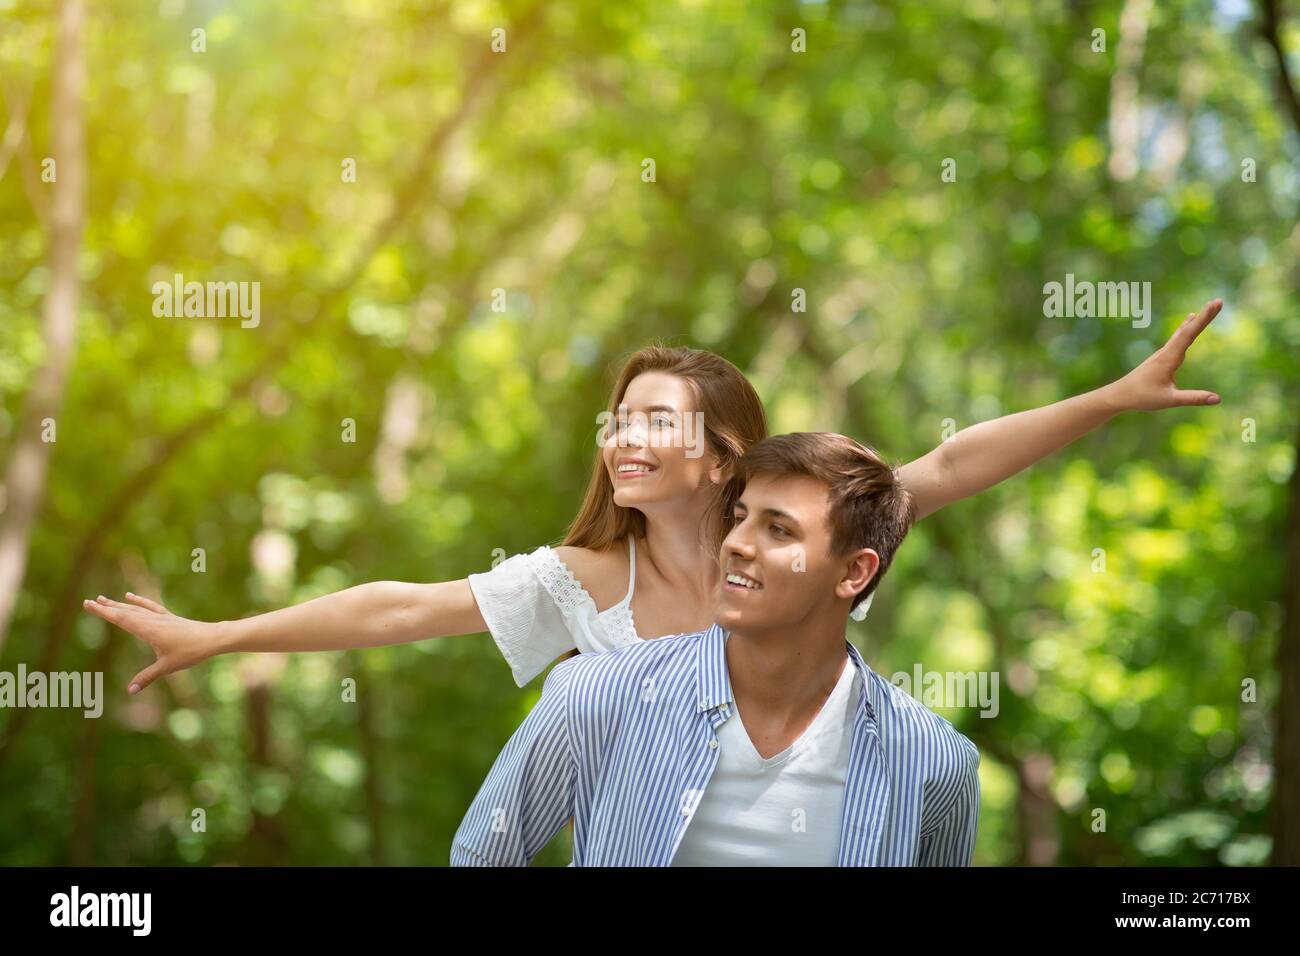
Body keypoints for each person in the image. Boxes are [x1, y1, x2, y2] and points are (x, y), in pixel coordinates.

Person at [80, 301, 1223, 694]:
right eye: (618, 417)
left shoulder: (790, 536)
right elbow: (394, 607)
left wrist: (1110, 398)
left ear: (724, 453)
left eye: (657, 417)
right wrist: (218, 633)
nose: (626, 434)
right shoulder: (579, 583)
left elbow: (951, 464)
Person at [451, 432, 976, 866]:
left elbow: (955, 464)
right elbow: (483, 854)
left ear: (854, 571)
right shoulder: (596, 693)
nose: (736, 544)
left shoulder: (932, 761)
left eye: (777, 529)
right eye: (741, 517)